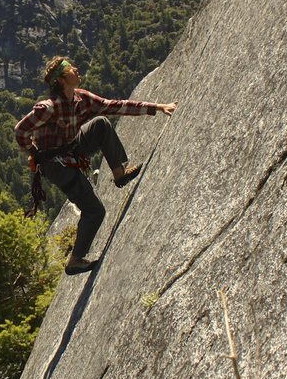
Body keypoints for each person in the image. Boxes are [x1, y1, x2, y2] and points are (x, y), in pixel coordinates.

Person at [14, 56, 176, 275]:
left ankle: (119, 174)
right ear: (62, 79)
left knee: (100, 123)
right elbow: (20, 130)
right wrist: (32, 151)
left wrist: (156, 107)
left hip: (72, 147)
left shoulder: (81, 98)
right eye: (71, 69)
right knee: (94, 211)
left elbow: (113, 106)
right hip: (56, 164)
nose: (77, 69)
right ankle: (75, 261)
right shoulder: (48, 108)